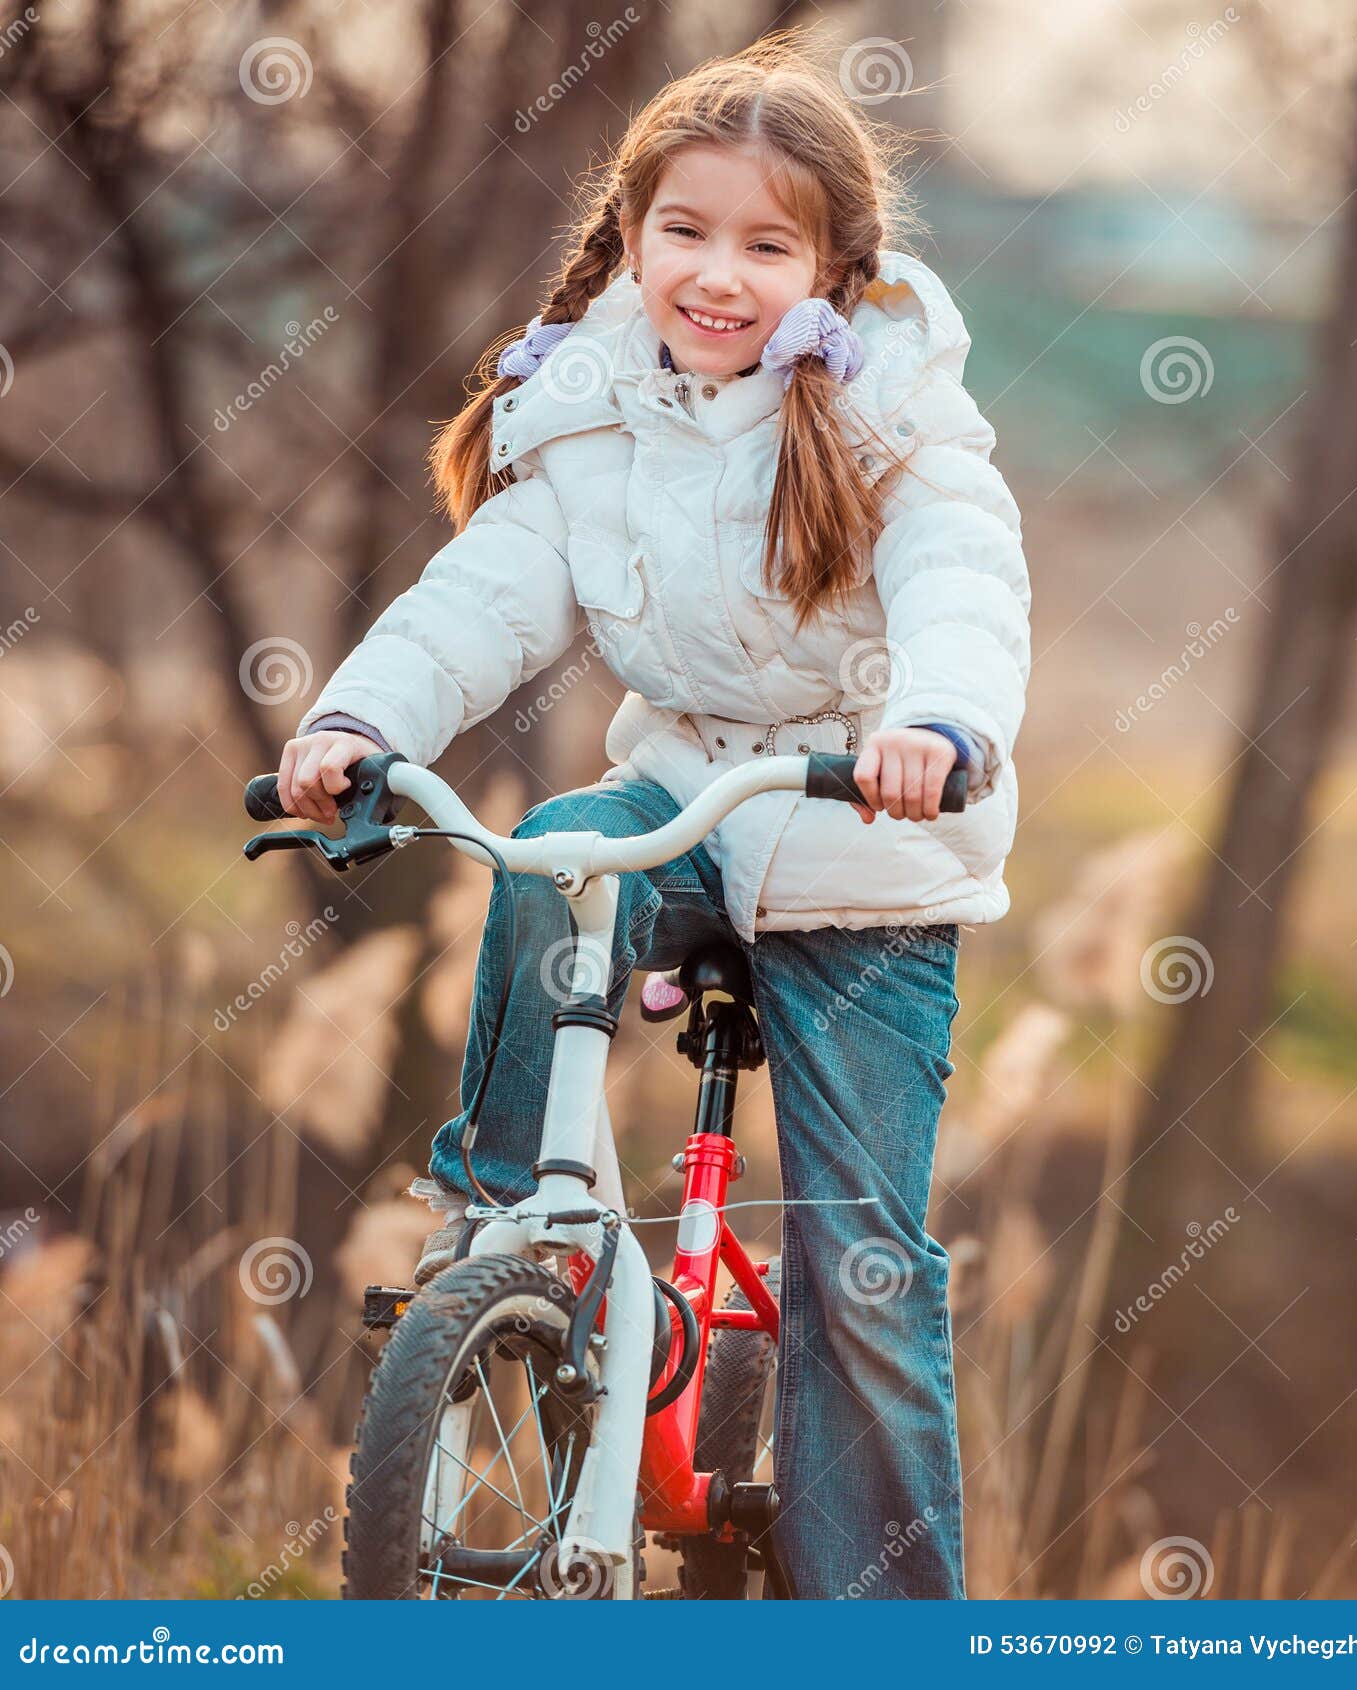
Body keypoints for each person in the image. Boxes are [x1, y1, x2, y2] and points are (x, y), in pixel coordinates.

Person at [277, 31, 1030, 1600]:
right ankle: (503, 1218)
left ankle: (870, 1625)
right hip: (692, 797)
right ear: (628, 238)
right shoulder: (589, 412)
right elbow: (478, 600)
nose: (718, 274)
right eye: (685, 231)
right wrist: (359, 721)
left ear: (831, 266)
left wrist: (932, 726)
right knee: (554, 848)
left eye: (768, 244)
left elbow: (962, 582)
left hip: (860, 848)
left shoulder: (894, 419)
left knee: (863, 1279)